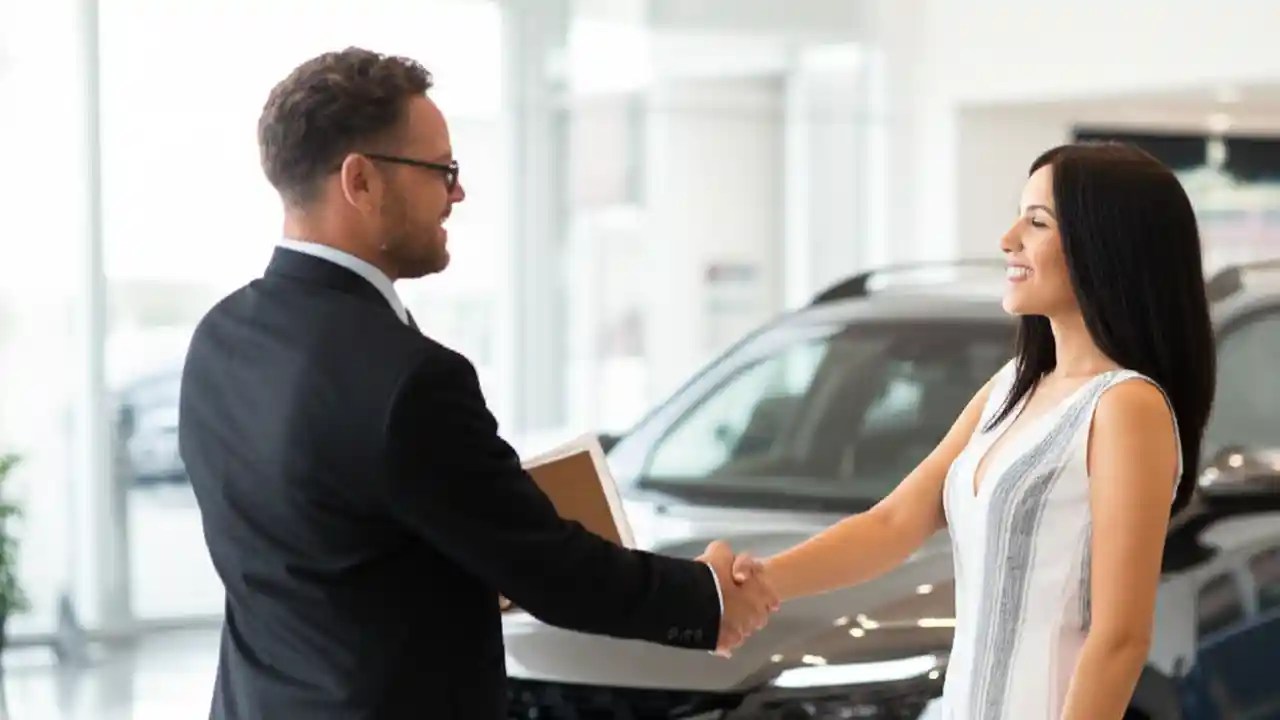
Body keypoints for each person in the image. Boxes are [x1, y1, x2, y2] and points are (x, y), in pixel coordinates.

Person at [177, 47, 778, 720]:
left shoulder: (219, 341)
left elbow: (324, 547)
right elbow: (551, 572)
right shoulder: (410, 380)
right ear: (361, 181)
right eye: (442, 171)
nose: (456, 194)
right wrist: (710, 598)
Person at [727, 142, 1215, 719]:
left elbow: (1120, 639)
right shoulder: (1012, 387)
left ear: (1105, 248)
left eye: (1037, 222)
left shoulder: (1126, 407)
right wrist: (759, 580)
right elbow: (891, 523)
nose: (1009, 239)